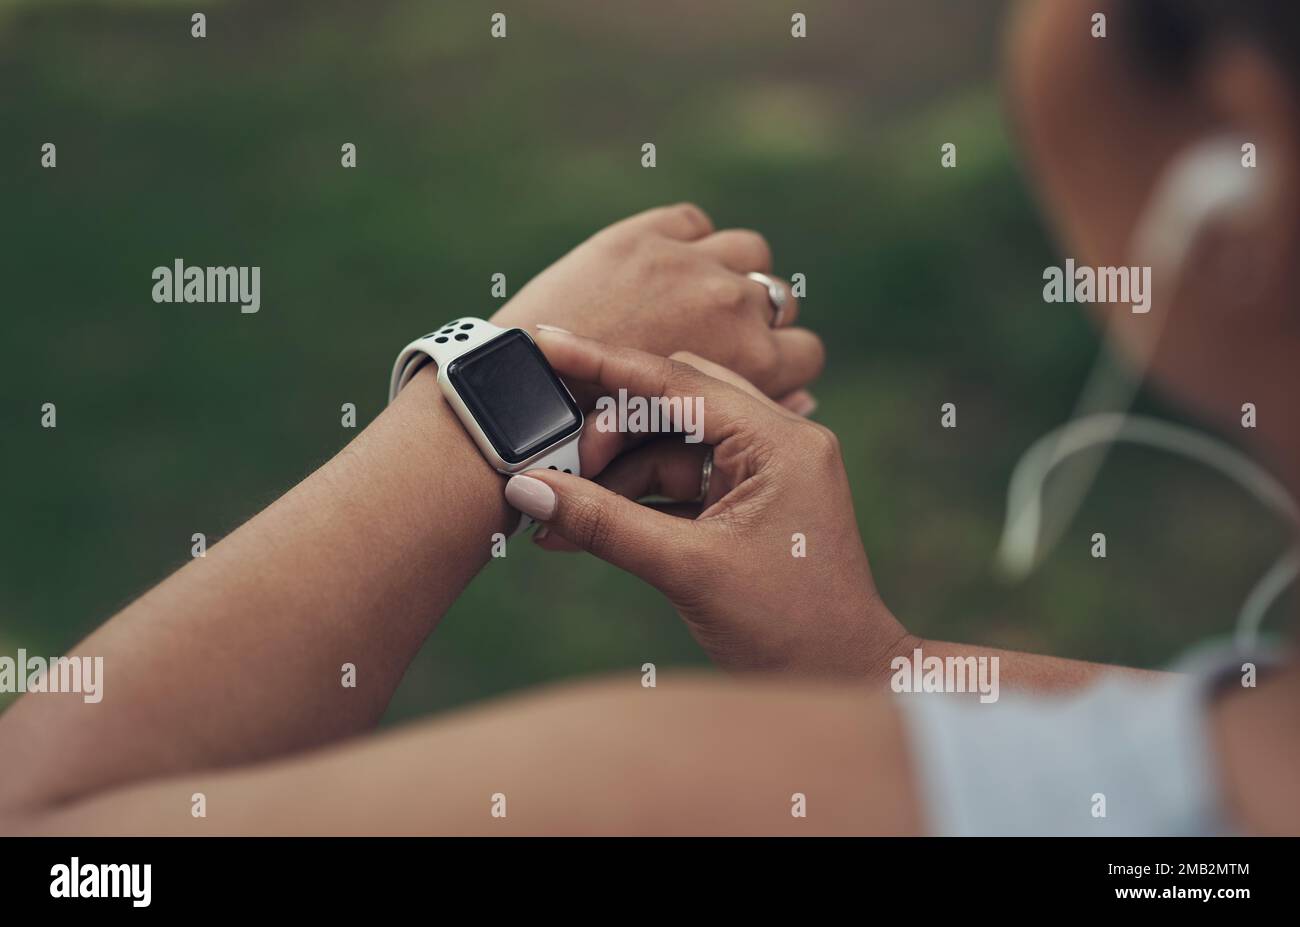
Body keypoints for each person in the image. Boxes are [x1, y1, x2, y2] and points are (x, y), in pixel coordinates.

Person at [2, 0, 1297, 836]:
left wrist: (478, 409)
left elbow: (59, 834)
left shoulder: (717, 799)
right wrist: (873, 666)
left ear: (1238, 167)